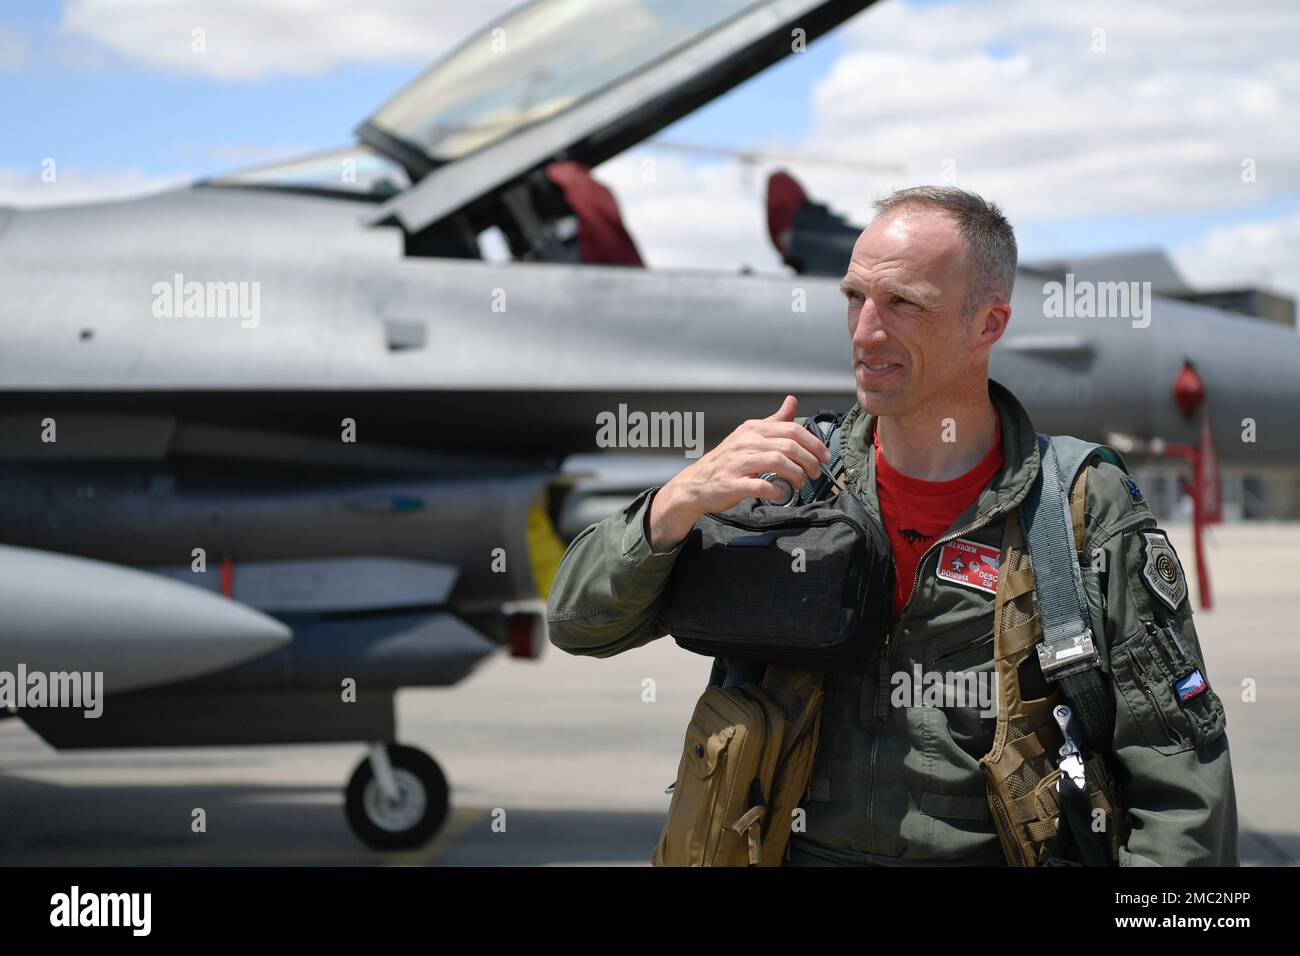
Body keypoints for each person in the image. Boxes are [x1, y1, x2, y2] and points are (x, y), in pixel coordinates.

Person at [545, 185, 1237, 866]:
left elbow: (1179, 779)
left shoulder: (1079, 506)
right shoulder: (785, 478)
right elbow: (578, 623)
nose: (867, 331)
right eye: (855, 298)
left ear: (988, 324)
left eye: (904, 303)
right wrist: (676, 504)